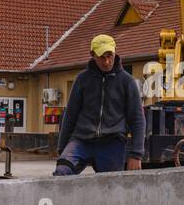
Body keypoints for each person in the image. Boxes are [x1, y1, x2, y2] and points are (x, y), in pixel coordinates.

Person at [55, 35, 145, 175]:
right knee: (62, 170)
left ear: (115, 52)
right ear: (93, 55)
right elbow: (71, 114)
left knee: (111, 186)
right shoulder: (82, 79)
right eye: (101, 57)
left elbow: (137, 119)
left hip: (112, 143)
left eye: (110, 55)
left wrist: (136, 154)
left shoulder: (127, 82)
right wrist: (62, 148)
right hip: (82, 140)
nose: (107, 61)